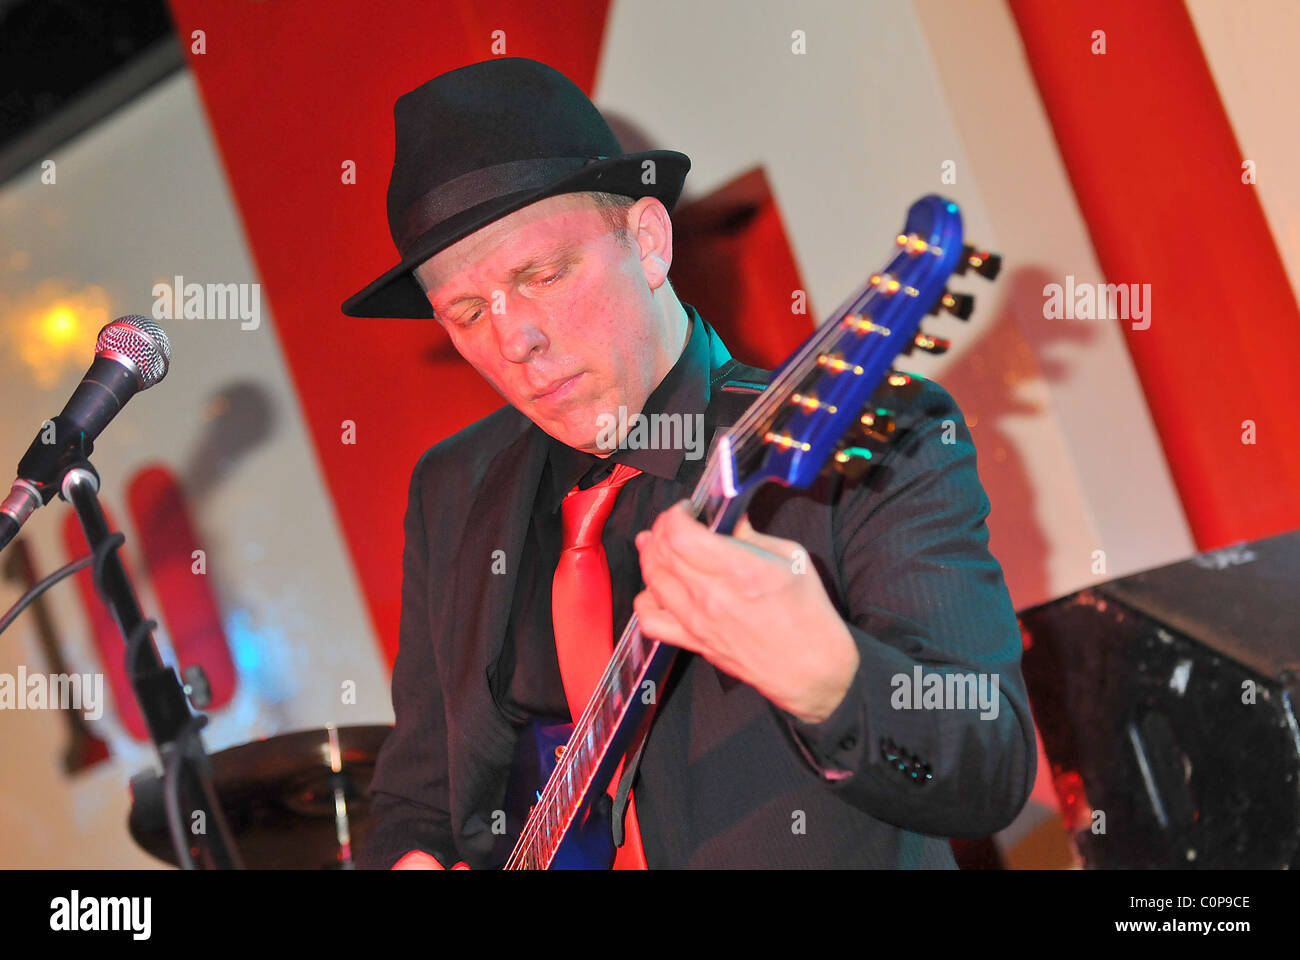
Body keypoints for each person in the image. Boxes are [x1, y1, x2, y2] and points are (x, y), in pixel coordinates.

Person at [341, 56, 1036, 869]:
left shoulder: (884, 437)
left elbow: (990, 764)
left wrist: (833, 683)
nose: (515, 341)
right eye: (465, 312)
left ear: (647, 239)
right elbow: (418, 797)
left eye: (543, 274)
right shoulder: (452, 492)